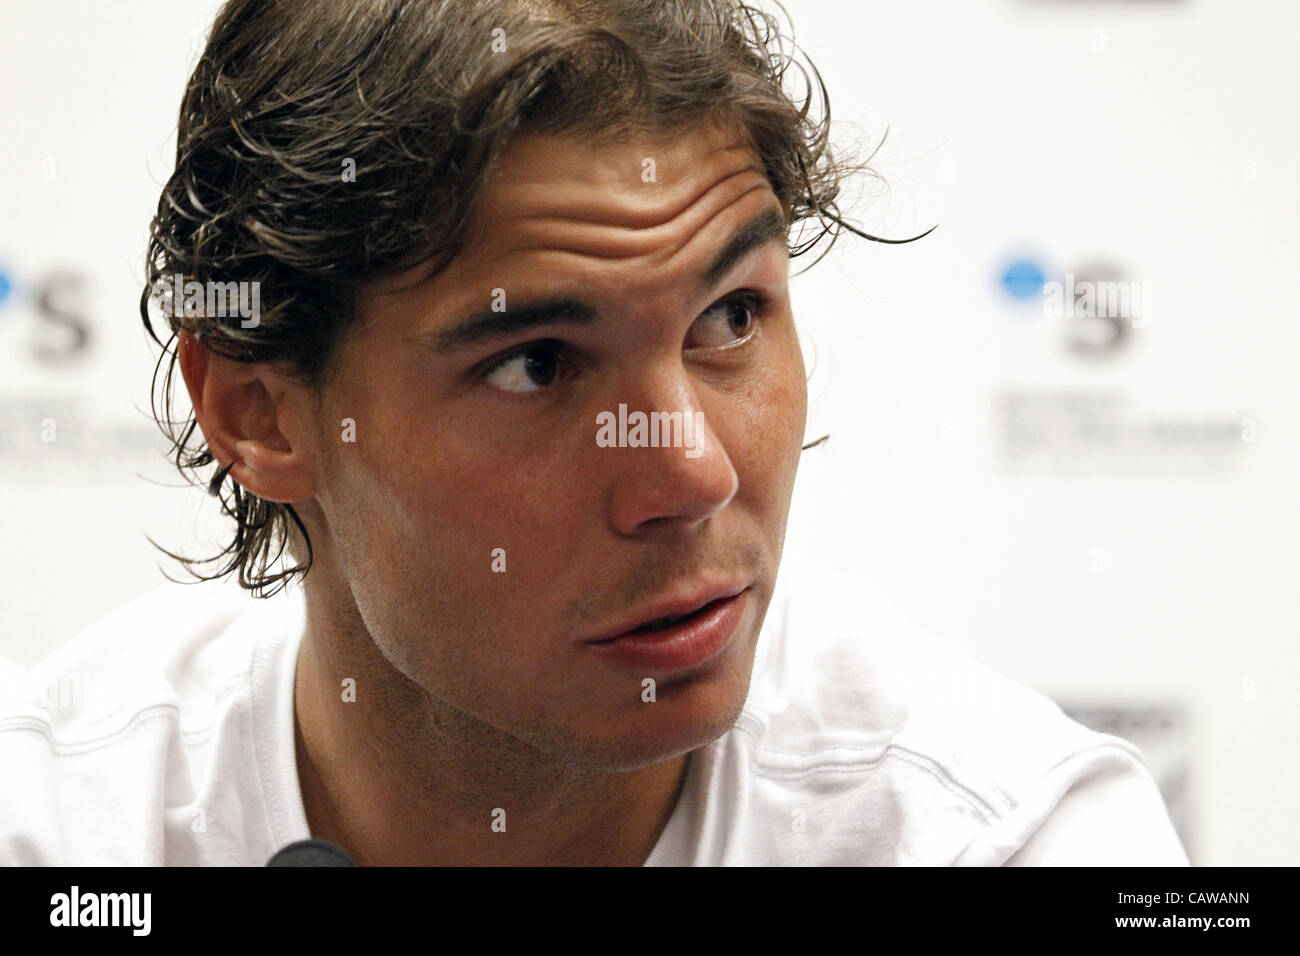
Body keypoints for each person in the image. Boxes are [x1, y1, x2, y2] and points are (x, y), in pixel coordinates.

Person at [0, 0, 1187, 866]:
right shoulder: (56, 828)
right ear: (260, 413)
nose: (694, 470)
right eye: (538, 363)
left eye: (731, 316)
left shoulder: (1008, 839)